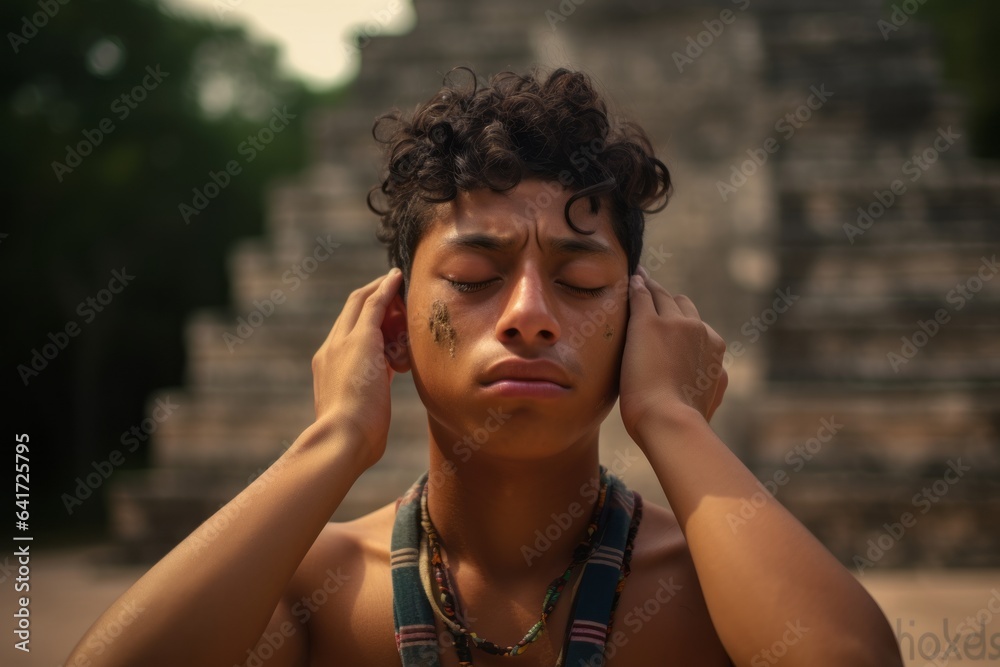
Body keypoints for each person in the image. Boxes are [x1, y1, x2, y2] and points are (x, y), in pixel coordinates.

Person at [66, 67, 903, 667]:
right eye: (473, 279)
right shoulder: (316, 589)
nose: (530, 314)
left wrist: (673, 420)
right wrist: (332, 441)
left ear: (638, 325)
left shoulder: (712, 592)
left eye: (581, 283)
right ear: (393, 325)